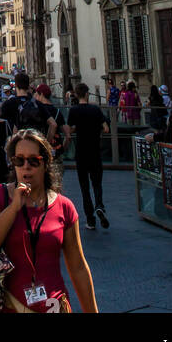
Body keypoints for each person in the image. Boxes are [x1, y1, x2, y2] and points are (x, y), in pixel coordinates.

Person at [0, 128, 98, 313]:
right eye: (19, 160)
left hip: (55, 307)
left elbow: (78, 267)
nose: (26, 166)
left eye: (33, 160)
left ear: (45, 163)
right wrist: (13, 208)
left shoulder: (64, 206)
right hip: (11, 307)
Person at [66, 82, 110, 231]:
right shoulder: (95, 109)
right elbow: (106, 128)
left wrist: (75, 129)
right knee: (97, 183)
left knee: (84, 188)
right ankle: (99, 205)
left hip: (81, 153)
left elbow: (71, 129)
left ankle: (90, 220)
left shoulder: (73, 111)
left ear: (77, 95)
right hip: (95, 152)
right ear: (87, 94)